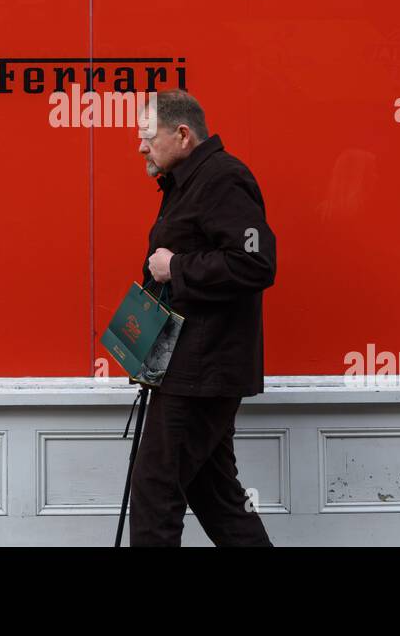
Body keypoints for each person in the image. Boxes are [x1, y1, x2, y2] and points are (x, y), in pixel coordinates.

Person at [128, 89, 276, 546]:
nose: (141, 146)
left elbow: (256, 263)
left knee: (155, 491)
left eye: (148, 136)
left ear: (183, 134)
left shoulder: (224, 178)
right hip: (190, 366)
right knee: (214, 493)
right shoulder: (186, 181)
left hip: (201, 369)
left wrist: (175, 267)